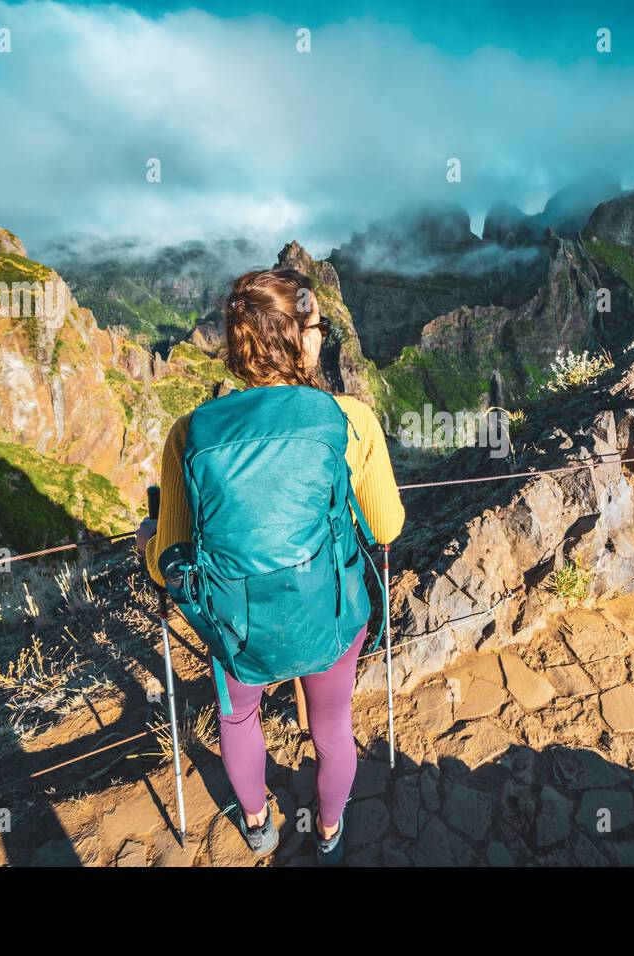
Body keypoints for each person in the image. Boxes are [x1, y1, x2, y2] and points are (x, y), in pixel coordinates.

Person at [136, 267, 404, 864]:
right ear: (298, 338)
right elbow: (386, 529)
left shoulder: (190, 434)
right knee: (332, 728)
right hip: (331, 616)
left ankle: (257, 825)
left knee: (238, 723)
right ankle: (330, 832)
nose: (322, 336)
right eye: (318, 326)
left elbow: (168, 565)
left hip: (238, 628)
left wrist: (146, 540)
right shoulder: (351, 419)